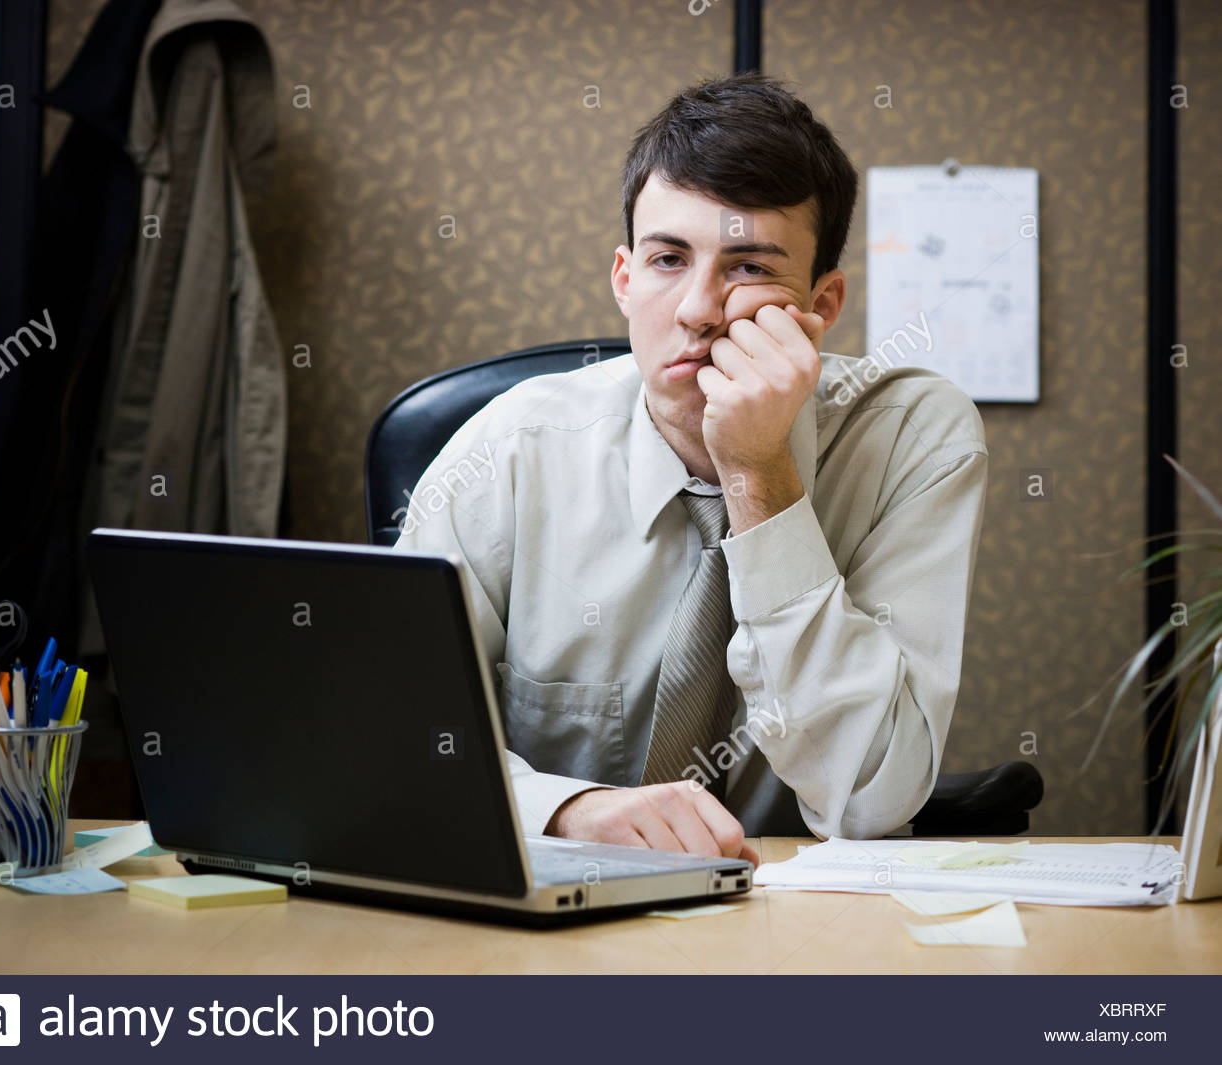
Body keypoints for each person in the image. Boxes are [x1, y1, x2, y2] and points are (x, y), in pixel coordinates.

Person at [393, 72, 988, 865]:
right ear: (624, 278)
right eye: (669, 258)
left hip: (801, 923)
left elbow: (871, 796)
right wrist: (565, 808)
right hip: (553, 910)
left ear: (824, 303)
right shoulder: (509, 450)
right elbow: (392, 735)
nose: (699, 309)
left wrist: (757, 474)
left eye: (748, 267)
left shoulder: (915, 437)